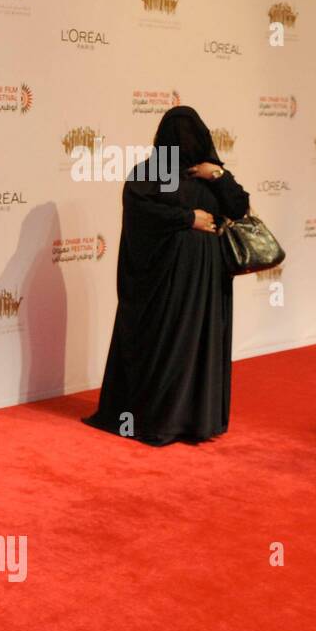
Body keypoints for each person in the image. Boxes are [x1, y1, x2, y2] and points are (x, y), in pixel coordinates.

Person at [84, 106, 251, 446]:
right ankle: (159, 421)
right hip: (167, 283)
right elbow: (141, 212)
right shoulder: (155, 171)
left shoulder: (211, 174)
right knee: (169, 344)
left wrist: (217, 175)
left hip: (205, 283)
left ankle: (193, 422)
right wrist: (187, 218)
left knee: (197, 346)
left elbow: (239, 207)